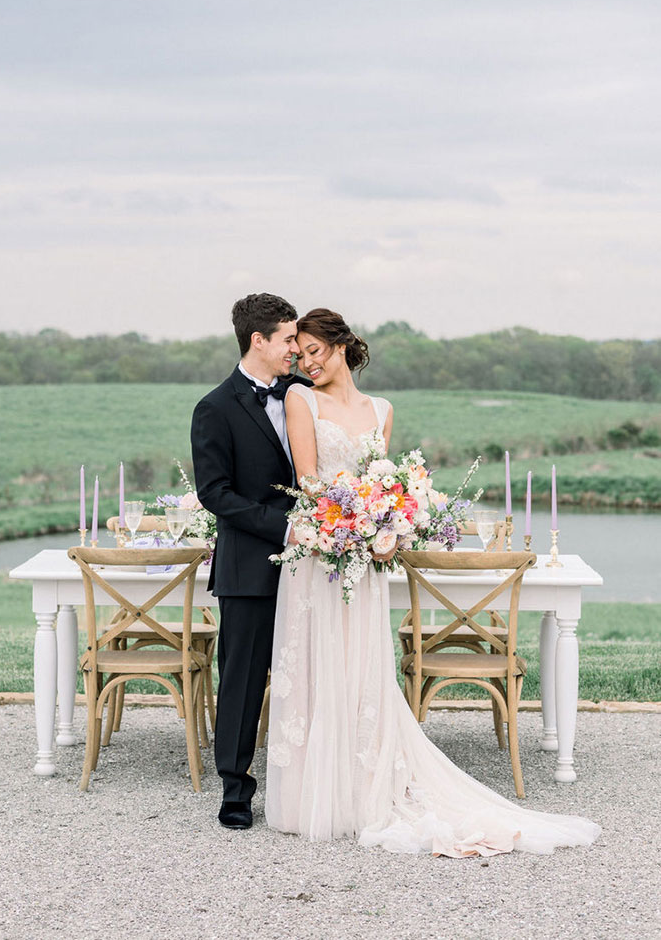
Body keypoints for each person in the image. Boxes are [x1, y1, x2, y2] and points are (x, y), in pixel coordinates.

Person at [265, 308, 601, 857]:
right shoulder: (300, 401)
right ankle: (315, 795)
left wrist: (389, 519)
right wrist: (355, 516)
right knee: (317, 665)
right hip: (319, 555)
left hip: (365, 562)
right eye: (300, 355)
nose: (307, 363)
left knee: (363, 667)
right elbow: (307, 483)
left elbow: (385, 479)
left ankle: (364, 785)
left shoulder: (382, 409)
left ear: (342, 345)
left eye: (315, 352)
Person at [191, 292, 308, 830]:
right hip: (249, 565)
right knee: (241, 680)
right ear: (257, 340)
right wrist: (283, 525)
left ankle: (311, 782)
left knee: (310, 672)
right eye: (288, 339)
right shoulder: (215, 408)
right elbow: (214, 492)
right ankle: (235, 791)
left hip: (316, 564)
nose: (296, 350)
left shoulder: (305, 395)